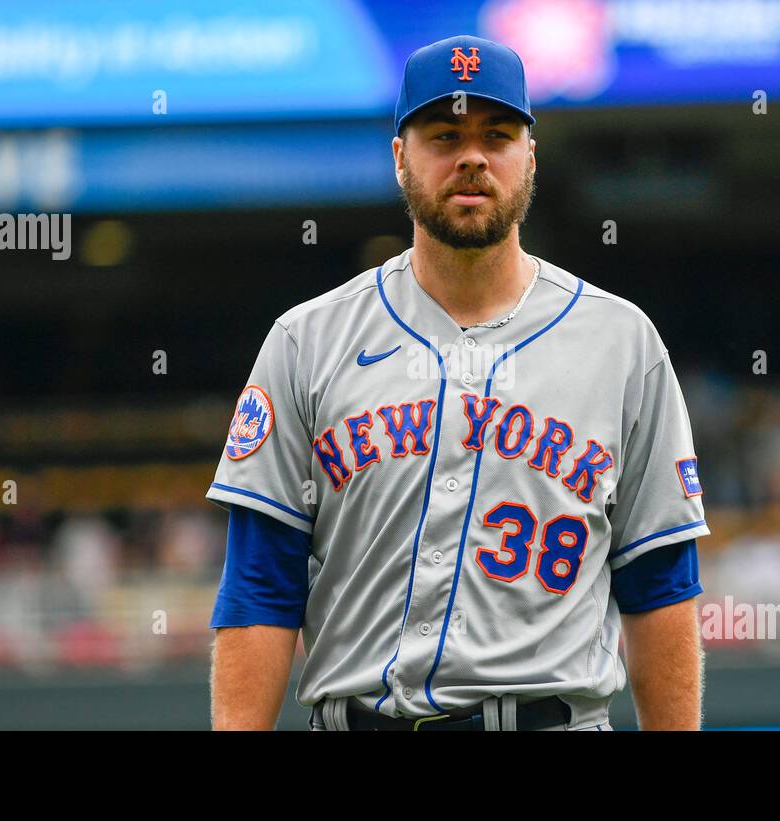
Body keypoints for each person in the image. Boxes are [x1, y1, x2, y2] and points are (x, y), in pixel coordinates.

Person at [207, 35, 710, 731]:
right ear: (399, 157)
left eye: (497, 134)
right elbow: (261, 585)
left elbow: (660, 585)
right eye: (444, 134)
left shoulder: (623, 344)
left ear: (528, 156)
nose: (471, 156)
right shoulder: (306, 341)